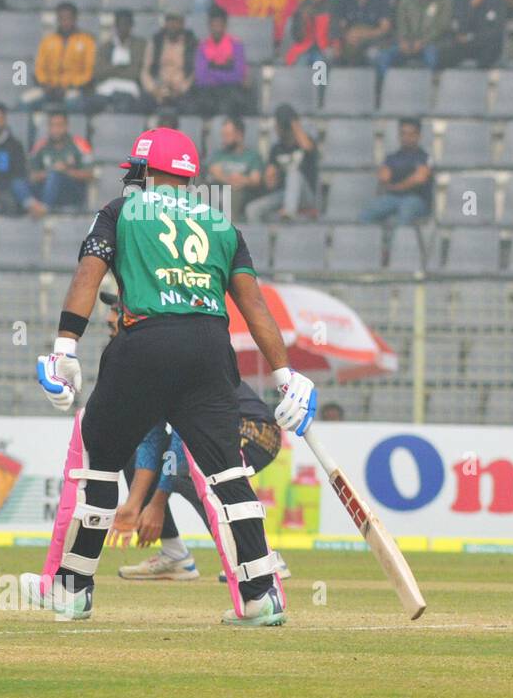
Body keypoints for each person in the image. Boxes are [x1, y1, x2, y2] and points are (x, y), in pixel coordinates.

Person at [27, 126, 317, 625]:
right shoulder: (224, 227)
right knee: (228, 472)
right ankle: (259, 596)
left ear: (143, 171)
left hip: (146, 343)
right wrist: (287, 375)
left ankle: (72, 590)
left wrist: (63, 348)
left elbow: (88, 275)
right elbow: (254, 307)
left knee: (96, 462)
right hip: (210, 348)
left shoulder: (120, 212)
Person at [112, 378, 291, 585]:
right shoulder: (145, 377)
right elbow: (152, 440)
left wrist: (157, 504)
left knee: (187, 475)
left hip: (255, 431)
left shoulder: (172, 360)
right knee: (133, 458)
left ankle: (260, 558)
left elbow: (183, 439)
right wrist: (133, 504)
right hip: (210, 432)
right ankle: (175, 556)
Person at [377, 0, 452, 76]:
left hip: (431, 43)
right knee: (383, 56)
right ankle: (382, 91)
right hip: (407, 43)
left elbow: (442, 26)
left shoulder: (443, 0)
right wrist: (403, 40)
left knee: (431, 56)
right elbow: (401, 22)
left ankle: (430, 90)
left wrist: (423, 42)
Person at [246, 105, 319, 222]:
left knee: (293, 173)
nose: (276, 128)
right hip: (285, 195)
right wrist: (269, 178)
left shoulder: (307, 142)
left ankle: (288, 213)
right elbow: (269, 180)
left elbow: (308, 147)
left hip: (306, 195)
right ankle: (258, 238)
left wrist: (294, 124)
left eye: (278, 125)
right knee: (252, 209)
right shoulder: (276, 149)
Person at [22, 3, 96, 115]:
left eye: (68, 19)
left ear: (75, 19)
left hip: (73, 89)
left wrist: (70, 85)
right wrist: (46, 84)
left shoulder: (87, 41)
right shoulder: (47, 41)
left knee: (73, 103)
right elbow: (39, 68)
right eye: (61, 19)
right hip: (49, 88)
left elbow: (89, 72)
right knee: (23, 103)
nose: (65, 22)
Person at [359, 118, 433, 225]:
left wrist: (398, 186)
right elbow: (384, 177)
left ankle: (399, 241)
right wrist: (406, 182)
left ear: (418, 136)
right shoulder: (391, 157)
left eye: (411, 134)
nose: (406, 138)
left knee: (406, 211)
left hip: (417, 200)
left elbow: (419, 178)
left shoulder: (425, 157)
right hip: (393, 198)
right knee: (367, 214)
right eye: (403, 134)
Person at [436, 0, 506, 68]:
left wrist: (471, 37)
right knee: (445, 53)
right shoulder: (463, 0)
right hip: (466, 45)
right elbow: (458, 27)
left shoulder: (496, 1)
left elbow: (495, 31)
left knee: (490, 49)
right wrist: (471, 8)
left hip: (485, 45)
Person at [27, 112, 94, 217]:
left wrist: (65, 171)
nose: (55, 130)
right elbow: (32, 176)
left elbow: (89, 175)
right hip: (45, 188)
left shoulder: (80, 144)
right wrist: (49, 172)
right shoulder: (40, 145)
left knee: (55, 175)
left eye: (59, 125)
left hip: (71, 192)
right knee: (17, 182)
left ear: (66, 126)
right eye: (52, 126)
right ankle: (33, 205)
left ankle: (43, 208)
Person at [190, 6, 251, 117]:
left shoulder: (236, 45)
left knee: (232, 102)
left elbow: (237, 76)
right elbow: (201, 77)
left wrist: (212, 71)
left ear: (225, 25)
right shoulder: (202, 47)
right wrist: (224, 71)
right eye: (214, 25)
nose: (217, 29)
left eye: (220, 25)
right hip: (208, 91)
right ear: (209, 25)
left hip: (230, 91)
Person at [330, 0, 392, 65]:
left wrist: (363, 34)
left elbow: (385, 28)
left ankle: (376, 80)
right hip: (349, 41)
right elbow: (339, 25)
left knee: (374, 55)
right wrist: (347, 35)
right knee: (330, 54)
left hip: (373, 42)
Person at [92, 10, 148, 114]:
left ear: (131, 26)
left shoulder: (140, 45)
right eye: (120, 25)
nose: (123, 28)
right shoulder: (105, 46)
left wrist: (111, 69)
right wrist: (122, 67)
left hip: (130, 89)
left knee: (125, 104)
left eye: (126, 25)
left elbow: (135, 72)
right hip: (106, 89)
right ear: (115, 26)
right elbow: (98, 72)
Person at [206, 116, 264, 215]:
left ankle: (231, 228)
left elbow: (255, 179)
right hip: (218, 191)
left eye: (227, 135)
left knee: (234, 192)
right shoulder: (219, 154)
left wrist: (243, 180)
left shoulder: (252, 156)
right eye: (223, 135)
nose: (224, 139)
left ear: (239, 135)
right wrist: (230, 180)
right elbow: (214, 171)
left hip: (242, 195)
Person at [141, 12, 198, 112]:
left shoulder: (191, 42)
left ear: (182, 23)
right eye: (169, 21)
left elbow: (194, 72)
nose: (172, 25)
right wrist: (154, 90)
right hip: (159, 88)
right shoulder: (156, 41)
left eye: (176, 21)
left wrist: (181, 89)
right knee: (142, 103)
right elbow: (145, 70)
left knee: (191, 106)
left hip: (181, 91)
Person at [285, 0, 334, 65]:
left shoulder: (329, 10)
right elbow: (297, 37)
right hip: (303, 49)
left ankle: (320, 80)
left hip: (323, 49)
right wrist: (303, 21)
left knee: (320, 63)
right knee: (301, 62)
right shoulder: (300, 10)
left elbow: (333, 32)